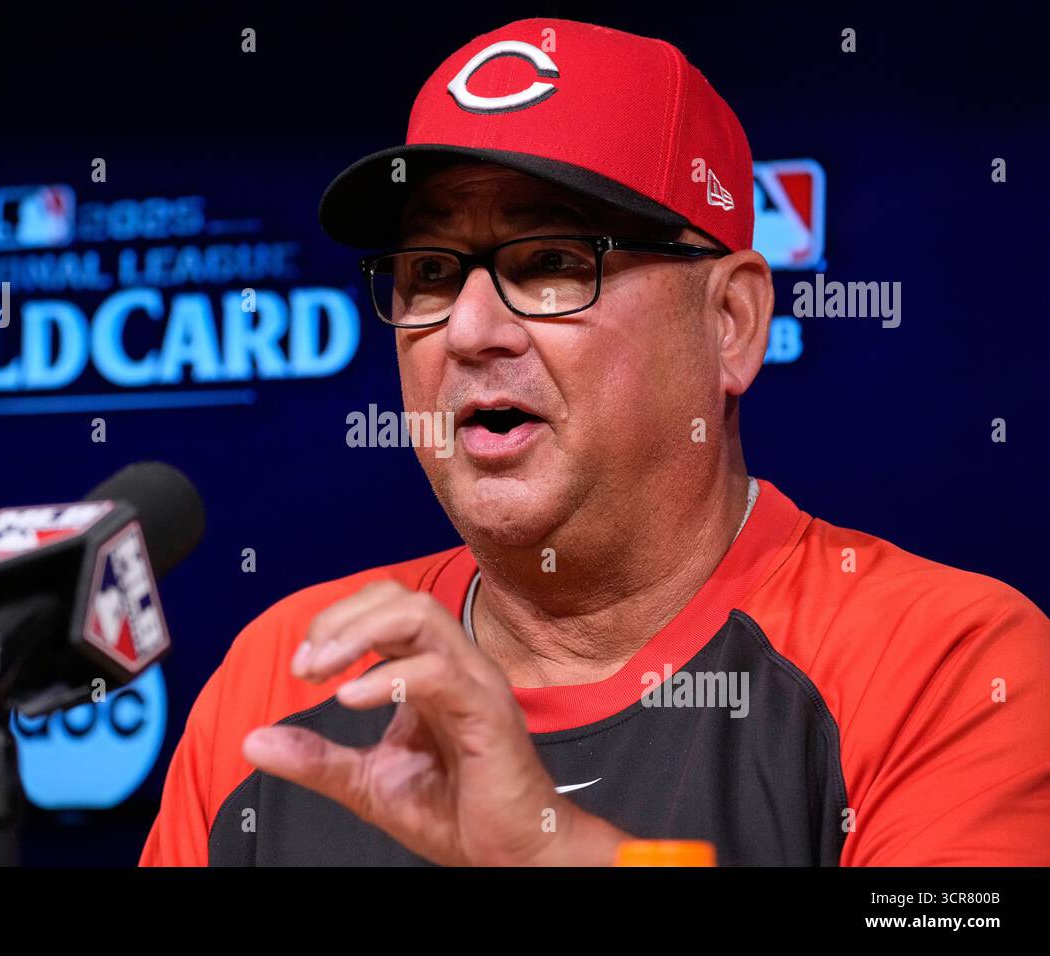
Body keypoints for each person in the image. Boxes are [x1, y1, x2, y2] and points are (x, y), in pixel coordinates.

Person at [140, 18, 1050, 866]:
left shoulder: (948, 661)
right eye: (428, 274)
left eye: (552, 262)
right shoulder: (289, 673)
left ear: (730, 322)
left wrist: (555, 853)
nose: (469, 330)